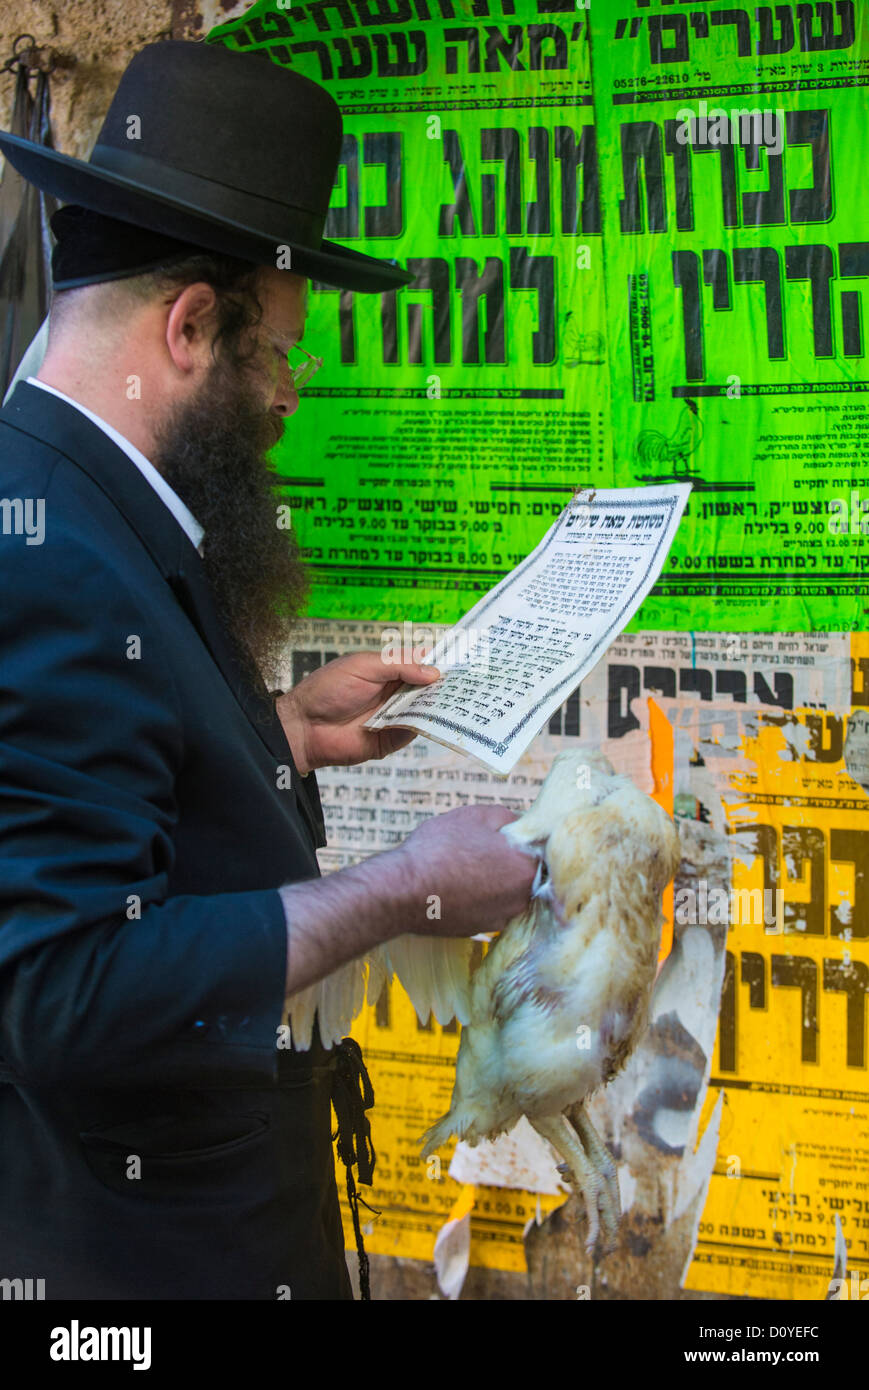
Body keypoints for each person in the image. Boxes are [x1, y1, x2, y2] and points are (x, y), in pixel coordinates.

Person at [0, 40, 537, 1300]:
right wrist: (403, 888)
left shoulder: (79, 505)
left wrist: (283, 733)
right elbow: (58, 984)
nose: (291, 395)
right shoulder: (47, 556)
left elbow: (112, 796)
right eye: (280, 354)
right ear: (190, 327)